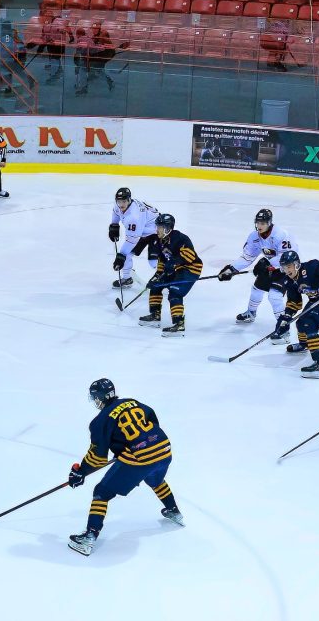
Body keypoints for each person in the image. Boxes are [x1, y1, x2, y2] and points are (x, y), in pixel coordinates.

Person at [67, 378, 183, 557]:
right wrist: (130, 445)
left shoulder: (100, 420)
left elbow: (97, 458)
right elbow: (151, 418)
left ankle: (89, 537)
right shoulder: (131, 402)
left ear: (99, 398)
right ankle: (174, 511)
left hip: (140, 458)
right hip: (164, 448)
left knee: (102, 491)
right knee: (155, 478)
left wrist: (80, 472)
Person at [217, 209, 298, 338]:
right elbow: (247, 257)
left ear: (269, 223)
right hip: (270, 268)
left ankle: (283, 327)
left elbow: (288, 256)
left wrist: (268, 263)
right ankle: (251, 313)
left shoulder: (281, 235)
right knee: (256, 290)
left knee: (274, 296)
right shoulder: (254, 237)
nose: (260, 226)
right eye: (258, 223)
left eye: (263, 223)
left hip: (286, 270)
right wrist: (232, 269)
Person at [271, 250, 319, 378]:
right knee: (300, 322)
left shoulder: (311, 268)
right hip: (316, 300)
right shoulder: (290, 281)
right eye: (284, 267)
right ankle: (304, 344)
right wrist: (286, 317)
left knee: (308, 323)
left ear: (297, 264)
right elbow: (294, 302)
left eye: (289, 266)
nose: (287, 270)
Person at [135, 213, 203, 337]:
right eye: (157, 226)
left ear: (167, 228)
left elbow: (190, 256)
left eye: (160, 227)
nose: (157, 229)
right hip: (175, 269)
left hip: (190, 269)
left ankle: (179, 324)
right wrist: (158, 275)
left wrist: (174, 263)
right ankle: (155, 316)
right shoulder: (160, 241)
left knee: (175, 292)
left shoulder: (180, 238)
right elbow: (162, 261)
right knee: (156, 286)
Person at [110, 187, 159, 289]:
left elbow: (131, 241)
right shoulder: (118, 206)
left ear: (129, 200)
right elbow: (116, 212)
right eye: (119, 201)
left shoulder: (134, 217)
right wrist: (114, 225)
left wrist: (120, 256)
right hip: (142, 231)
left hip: (157, 232)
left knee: (153, 262)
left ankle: (169, 278)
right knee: (126, 255)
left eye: (124, 201)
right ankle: (127, 279)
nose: (121, 204)